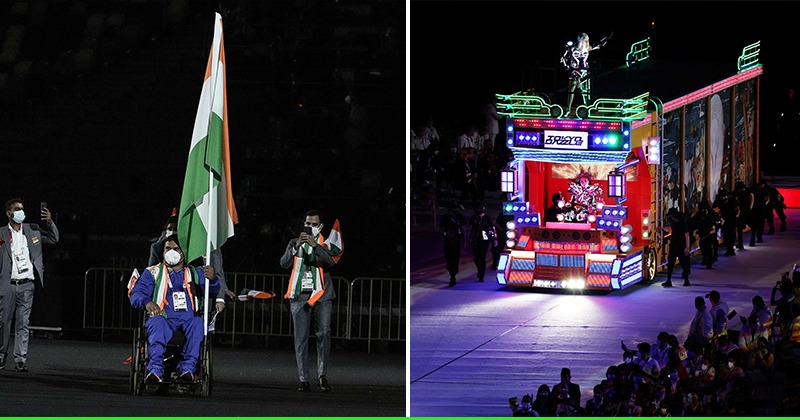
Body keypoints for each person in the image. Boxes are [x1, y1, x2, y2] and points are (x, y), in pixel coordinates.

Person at [129, 235, 220, 383]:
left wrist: (213, 280)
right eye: (168, 249)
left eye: (176, 249)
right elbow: (136, 293)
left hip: (188, 321)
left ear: (184, 252)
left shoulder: (195, 273)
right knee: (156, 323)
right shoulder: (152, 272)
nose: (171, 252)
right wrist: (147, 302)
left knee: (198, 323)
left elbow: (212, 291)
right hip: (163, 319)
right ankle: (155, 370)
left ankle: (187, 369)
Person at [280, 209, 339, 392]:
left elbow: (331, 262)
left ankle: (322, 376)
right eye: (308, 224)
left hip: (322, 294)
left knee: (324, 334)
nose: (310, 227)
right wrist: (297, 246)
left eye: (314, 224)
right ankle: (303, 378)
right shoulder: (293, 242)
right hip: (299, 295)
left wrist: (315, 246)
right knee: (301, 338)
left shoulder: (326, 244)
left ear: (320, 226)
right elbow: (283, 263)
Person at [0, 198, 59, 372]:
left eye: (22, 208)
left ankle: (20, 359)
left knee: (23, 323)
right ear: (9, 213)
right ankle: (1, 355)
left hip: (27, 285)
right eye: (17, 209)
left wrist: (49, 222)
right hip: (7, 284)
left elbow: (54, 239)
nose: (20, 212)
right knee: (4, 322)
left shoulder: (32, 229)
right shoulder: (1, 233)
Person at [148, 209, 234, 314]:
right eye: (170, 228)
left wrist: (220, 296)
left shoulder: (206, 244)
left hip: (196, 298)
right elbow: (151, 275)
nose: (173, 231)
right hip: (166, 299)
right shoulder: (157, 248)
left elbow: (216, 271)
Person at [560, 32, 611, 116]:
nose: (586, 42)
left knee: (585, 90)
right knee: (571, 91)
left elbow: (599, 45)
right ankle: (568, 109)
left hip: (584, 71)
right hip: (574, 71)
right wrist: (567, 67)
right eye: (584, 40)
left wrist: (607, 38)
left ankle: (587, 108)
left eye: (587, 40)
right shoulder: (572, 48)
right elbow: (563, 58)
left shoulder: (587, 48)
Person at [661, 207, 691, 287]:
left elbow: (686, 235)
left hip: (681, 245)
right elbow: (672, 229)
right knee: (671, 263)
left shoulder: (683, 222)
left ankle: (686, 279)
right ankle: (668, 280)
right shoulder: (673, 222)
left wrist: (687, 247)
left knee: (684, 263)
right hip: (674, 244)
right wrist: (664, 229)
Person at [469, 202, 495, 283]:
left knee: (482, 257)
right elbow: (471, 228)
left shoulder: (486, 217)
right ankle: (479, 269)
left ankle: (481, 275)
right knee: (476, 258)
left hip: (485, 240)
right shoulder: (474, 217)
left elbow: (492, 227)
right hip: (476, 239)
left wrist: (493, 237)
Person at [440, 202, 465, 287]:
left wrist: (463, 240)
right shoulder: (445, 217)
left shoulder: (459, 217)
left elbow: (463, 228)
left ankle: (453, 276)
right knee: (449, 257)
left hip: (457, 240)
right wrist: (446, 233)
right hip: (448, 240)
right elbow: (441, 227)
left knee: (455, 257)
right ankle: (451, 272)